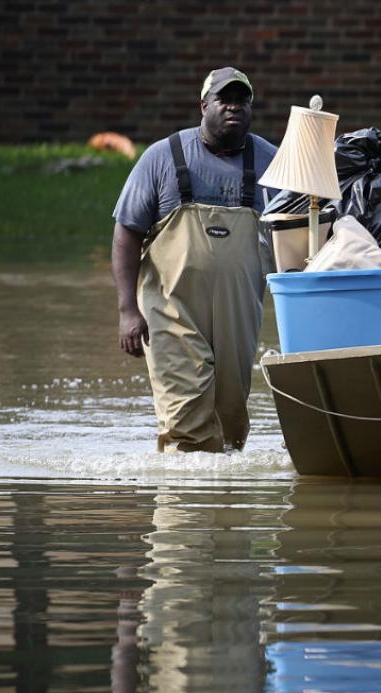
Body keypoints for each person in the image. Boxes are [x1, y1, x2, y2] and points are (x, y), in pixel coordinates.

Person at [112, 67, 277, 452]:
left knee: (230, 415)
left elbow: (296, 233)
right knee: (186, 415)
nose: (234, 107)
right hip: (171, 309)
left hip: (239, 311)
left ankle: (224, 490)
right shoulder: (162, 157)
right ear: (204, 106)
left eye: (242, 100)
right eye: (224, 99)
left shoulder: (272, 162)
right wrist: (126, 310)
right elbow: (126, 232)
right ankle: (183, 489)